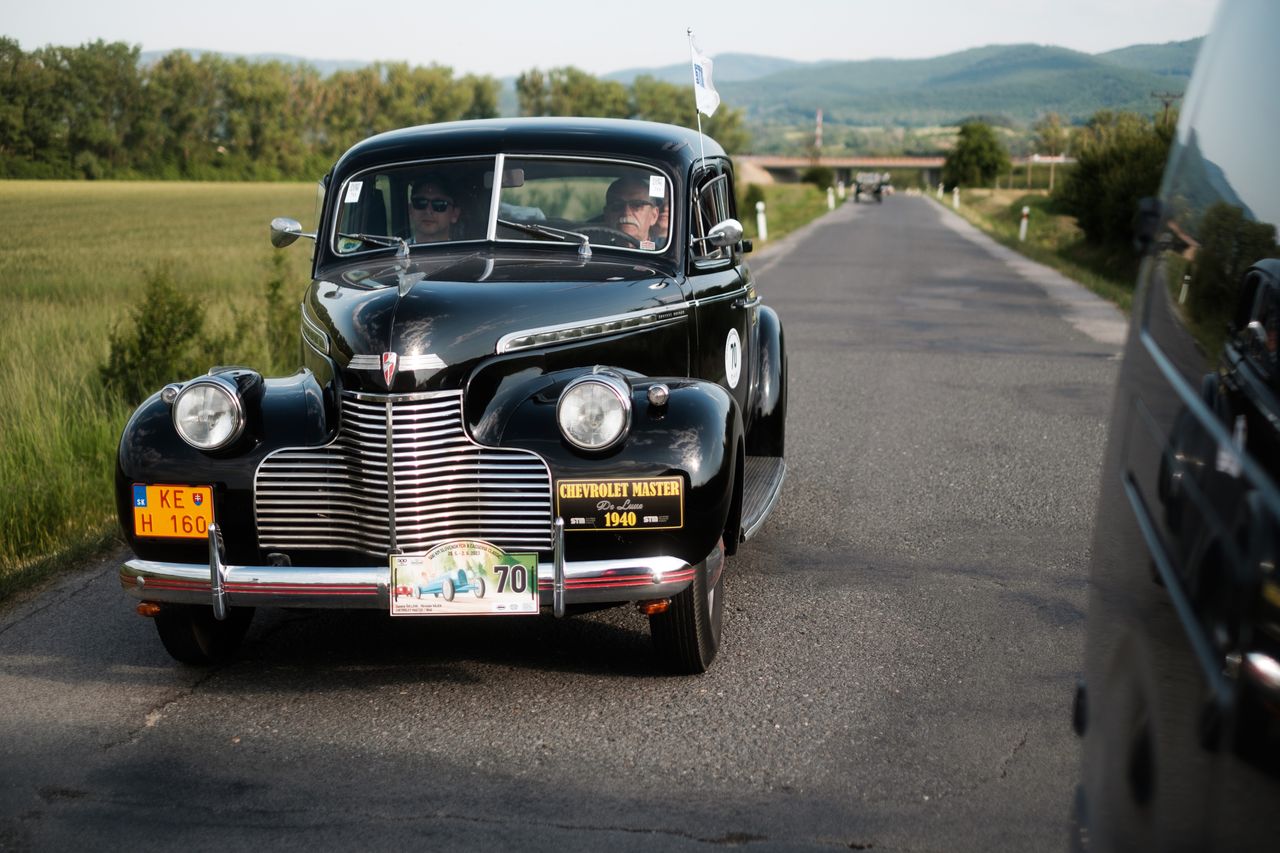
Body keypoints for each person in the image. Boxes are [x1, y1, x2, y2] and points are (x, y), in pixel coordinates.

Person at [602, 177, 661, 248]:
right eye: (617, 205)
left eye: (637, 205)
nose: (626, 212)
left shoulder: (661, 256)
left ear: (654, 216)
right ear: (607, 215)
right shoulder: (597, 252)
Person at [407, 174, 461, 243]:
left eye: (439, 204)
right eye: (420, 203)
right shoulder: (394, 252)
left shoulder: (469, 252)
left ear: (454, 214)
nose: (428, 211)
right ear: (410, 209)